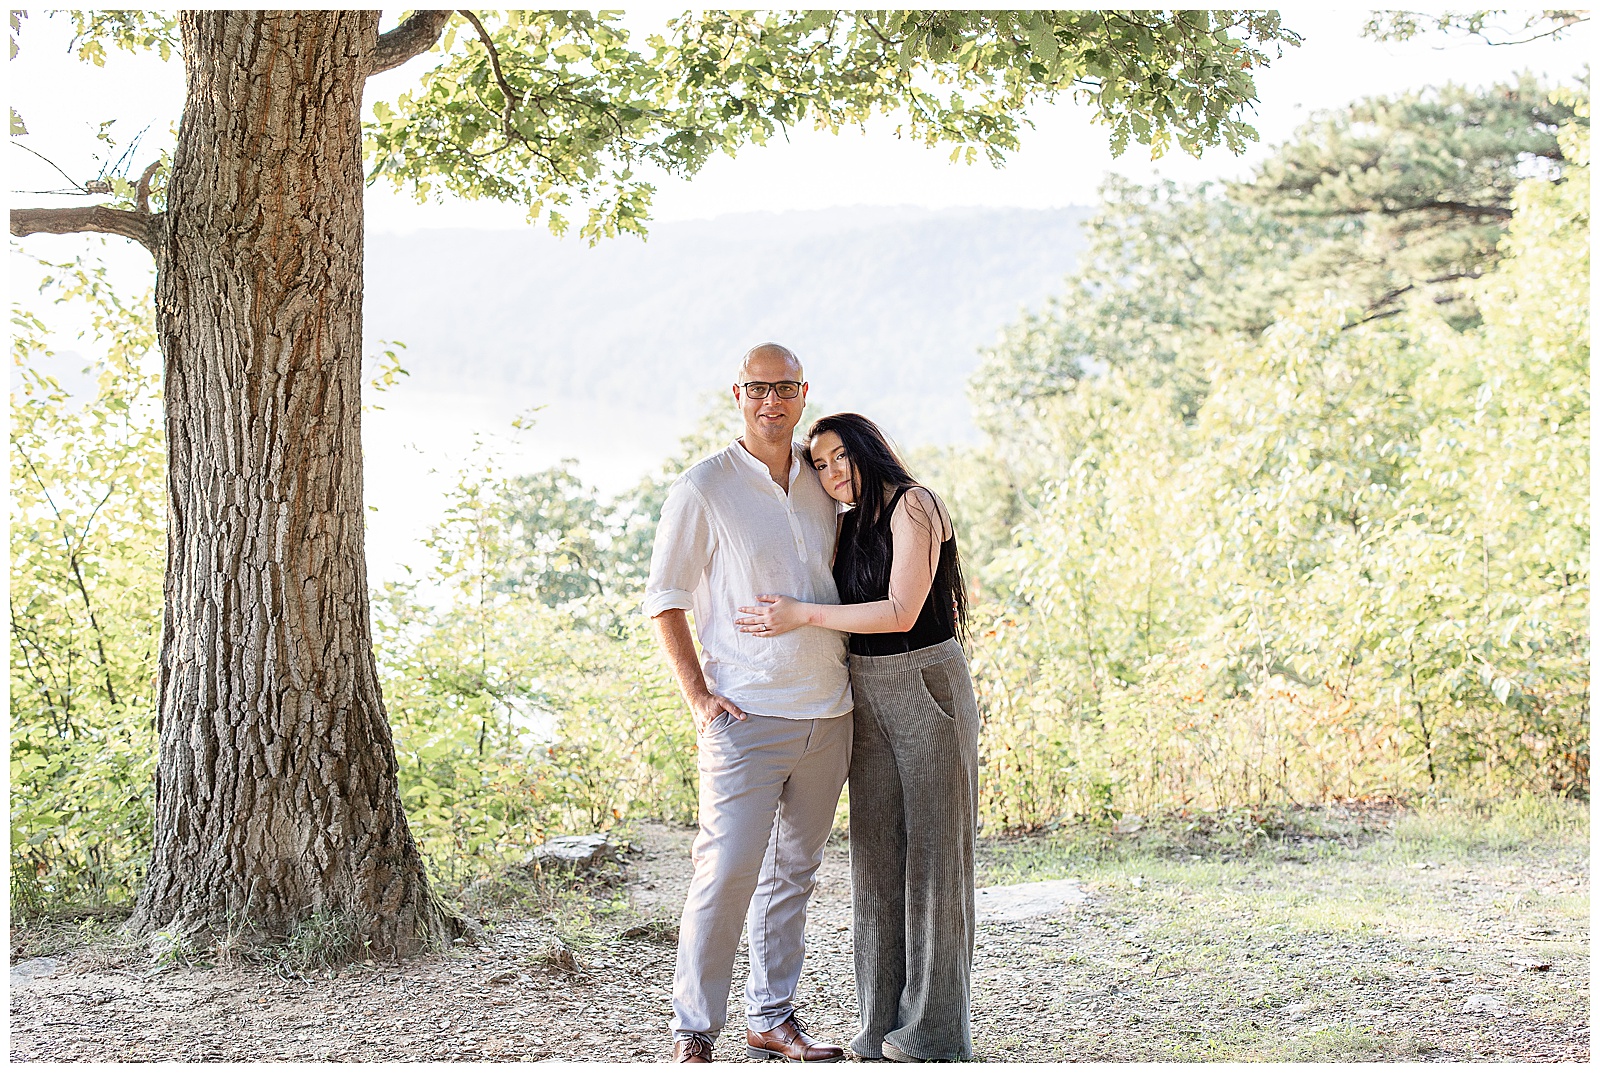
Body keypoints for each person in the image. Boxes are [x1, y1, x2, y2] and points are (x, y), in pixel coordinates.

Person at [735, 412, 979, 1063]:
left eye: (841, 455)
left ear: (869, 448)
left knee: (934, 862)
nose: (833, 471)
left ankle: (932, 1031)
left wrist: (798, 616)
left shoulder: (915, 504)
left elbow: (901, 609)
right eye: (821, 463)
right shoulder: (845, 524)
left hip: (927, 686)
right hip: (863, 692)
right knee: (875, 865)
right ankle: (878, 1025)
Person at [644, 343, 854, 1064]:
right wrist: (699, 697)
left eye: (786, 387)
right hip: (745, 716)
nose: (772, 401)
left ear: (803, 392)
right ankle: (694, 1030)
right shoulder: (703, 487)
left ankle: (773, 1017)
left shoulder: (824, 481)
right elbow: (664, 601)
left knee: (793, 871)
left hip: (830, 713)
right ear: (737, 393)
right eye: (759, 388)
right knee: (726, 869)